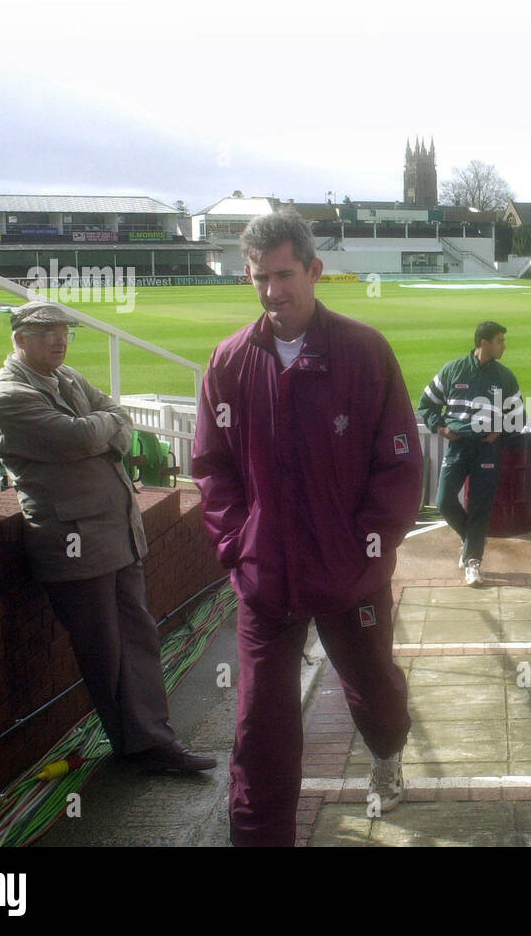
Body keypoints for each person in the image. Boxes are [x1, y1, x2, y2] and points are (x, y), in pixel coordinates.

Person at [191, 211, 423, 846]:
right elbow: (211, 466)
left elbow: (399, 461)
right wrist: (237, 544)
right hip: (266, 579)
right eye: (260, 277)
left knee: (374, 689)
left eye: (285, 275)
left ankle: (387, 751)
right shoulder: (231, 360)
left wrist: (369, 550)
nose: (273, 291)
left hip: (349, 575)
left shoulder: (364, 351)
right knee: (260, 726)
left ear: (315, 271)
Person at [0, 304, 216, 775]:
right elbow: (77, 438)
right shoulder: (9, 395)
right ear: (19, 340)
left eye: (64, 331)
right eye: (46, 332)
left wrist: (104, 426)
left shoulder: (64, 378)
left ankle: (153, 738)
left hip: (116, 532)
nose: (59, 340)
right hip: (73, 539)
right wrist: (106, 427)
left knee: (138, 636)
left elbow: (112, 417)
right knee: (104, 649)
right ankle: (141, 747)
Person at [418, 321, 523, 586]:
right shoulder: (453, 370)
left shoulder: (505, 377)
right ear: (484, 343)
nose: (504, 346)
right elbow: (427, 404)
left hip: (488, 448)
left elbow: (518, 416)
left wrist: (499, 432)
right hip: (458, 446)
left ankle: (473, 561)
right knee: (443, 500)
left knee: (480, 505)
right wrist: (440, 427)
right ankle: (471, 543)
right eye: (500, 340)